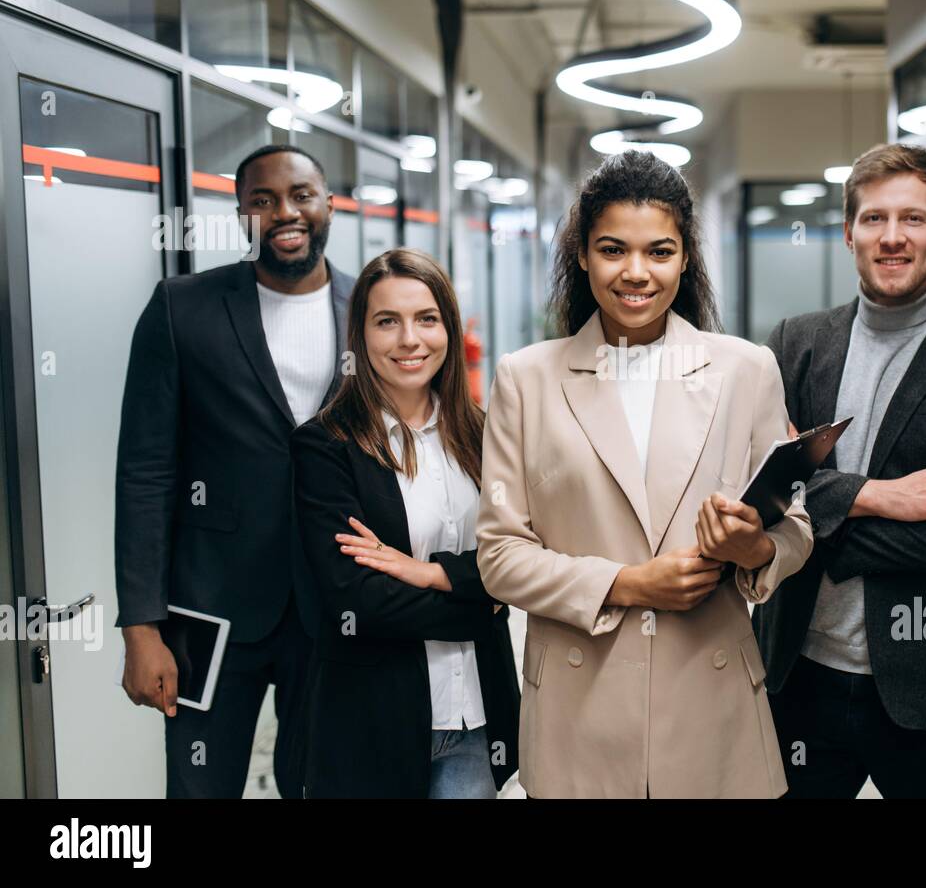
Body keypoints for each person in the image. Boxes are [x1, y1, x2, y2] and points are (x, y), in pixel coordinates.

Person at [475, 149, 814, 798]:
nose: (636, 272)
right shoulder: (526, 379)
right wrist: (627, 584)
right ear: (582, 255)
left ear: (686, 258)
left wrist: (757, 547)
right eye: (612, 250)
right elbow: (499, 555)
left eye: (659, 251)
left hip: (710, 697)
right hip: (580, 705)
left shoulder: (746, 370)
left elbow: (795, 526)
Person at [752, 143, 926, 798]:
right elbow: (762, 492)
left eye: (912, 219)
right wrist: (882, 496)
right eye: (875, 219)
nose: (892, 237)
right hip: (797, 673)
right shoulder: (794, 344)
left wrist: (816, 516)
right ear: (849, 230)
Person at [116, 144, 353, 798]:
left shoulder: (372, 311)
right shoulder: (180, 309)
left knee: (321, 786)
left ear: (329, 202)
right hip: (208, 611)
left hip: (336, 607)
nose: (285, 211)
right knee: (200, 788)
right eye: (262, 199)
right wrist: (140, 626)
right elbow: (144, 475)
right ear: (241, 213)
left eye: (301, 193)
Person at [291, 249, 519, 798]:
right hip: (373, 722)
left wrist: (429, 574)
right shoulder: (325, 447)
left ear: (448, 326)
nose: (409, 339)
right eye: (387, 321)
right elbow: (356, 601)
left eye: (426, 319)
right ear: (361, 335)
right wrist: (481, 603)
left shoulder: (487, 436)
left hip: (477, 720)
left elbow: (518, 555)